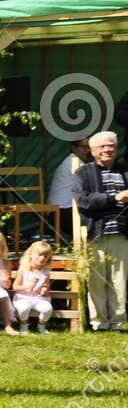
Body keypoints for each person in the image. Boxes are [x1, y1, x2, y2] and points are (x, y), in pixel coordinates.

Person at [74, 131, 128, 331]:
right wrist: (115, 198)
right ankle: (99, 322)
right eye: (102, 147)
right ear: (93, 151)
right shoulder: (83, 173)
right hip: (96, 232)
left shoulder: (125, 171)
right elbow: (83, 201)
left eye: (111, 146)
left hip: (122, 233)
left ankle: (118, 322)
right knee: (97, 280)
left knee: (119, 281)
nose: (107, 150)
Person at [12, 240, 55, 333]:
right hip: (22, 297)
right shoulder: (23, 270)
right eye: (40, 255)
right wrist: (28, 286)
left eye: (45, 256)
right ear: (31, 255)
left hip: (38, 298)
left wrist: (45, 290)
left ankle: (41, 326)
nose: (42, 258)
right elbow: (15, 287)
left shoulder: (45, 273)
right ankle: (24, 325)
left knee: (48, 309)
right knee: (24, 308)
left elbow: (46, 287)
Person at [48, 139, 90, 210]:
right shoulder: (74, 162)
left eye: (89, 147)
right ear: (74, 148)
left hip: (59, 208)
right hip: (64, 209)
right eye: (83, 147)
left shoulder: (71, 160)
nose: (87, 150)